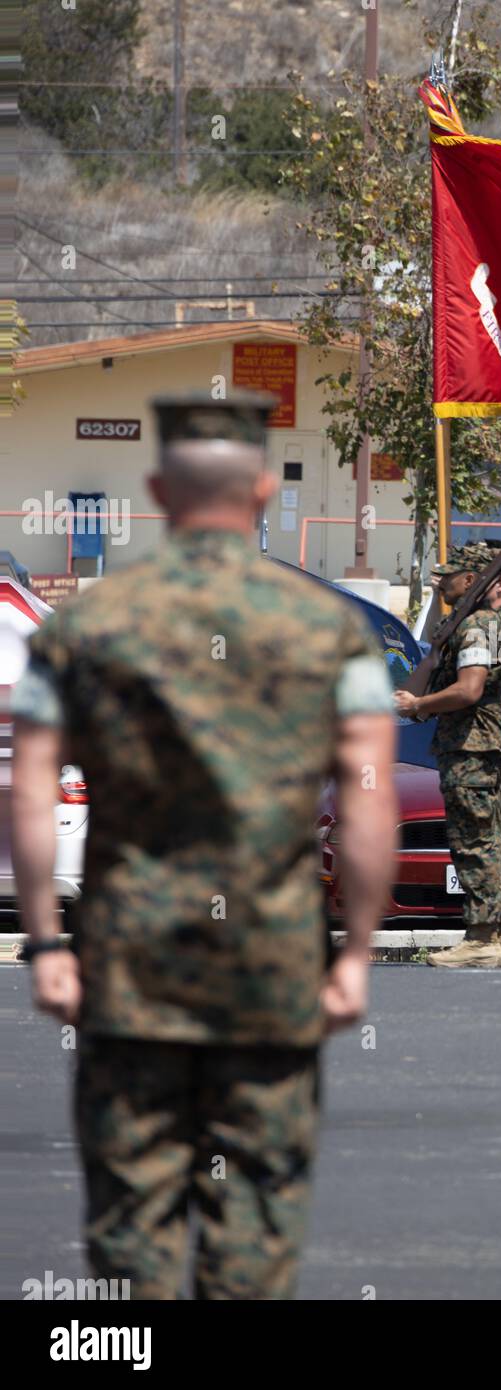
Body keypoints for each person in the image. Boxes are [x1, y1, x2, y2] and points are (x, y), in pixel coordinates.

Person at [11, 391, 398, 1300]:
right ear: (265, 488)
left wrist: (44, 941)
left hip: (127, 969)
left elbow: (29, 786)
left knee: (127, 1224)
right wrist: (356, 955)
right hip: (267, 970)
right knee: (254, 1223)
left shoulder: (84, 630)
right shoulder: (330, 632)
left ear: (157, 488)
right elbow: (371, 802)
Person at [394, 541, 501, 968]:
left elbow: (470, 689)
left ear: (472, 580)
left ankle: (480, 939)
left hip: (472, 744)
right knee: (498, 838)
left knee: (474, 840)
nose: (440, 581)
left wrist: (418, 705)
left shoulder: (476, 627)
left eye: (449, 574)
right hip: (500, 741)